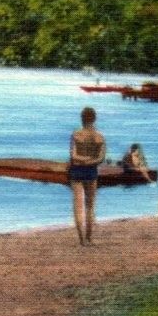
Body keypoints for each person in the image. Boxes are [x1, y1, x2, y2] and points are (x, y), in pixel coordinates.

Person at [69, 106, 106, 247]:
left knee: (78, 206)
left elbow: (73, 156)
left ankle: (82, 240)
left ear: (82, 119)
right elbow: (101, 158)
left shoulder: (76, 134)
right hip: (91, 171)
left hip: (77, 170)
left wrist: (82, 160)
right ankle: (89, 238)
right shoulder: (100, 137)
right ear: (94, 119)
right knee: (90, 206)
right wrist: (90, 161)